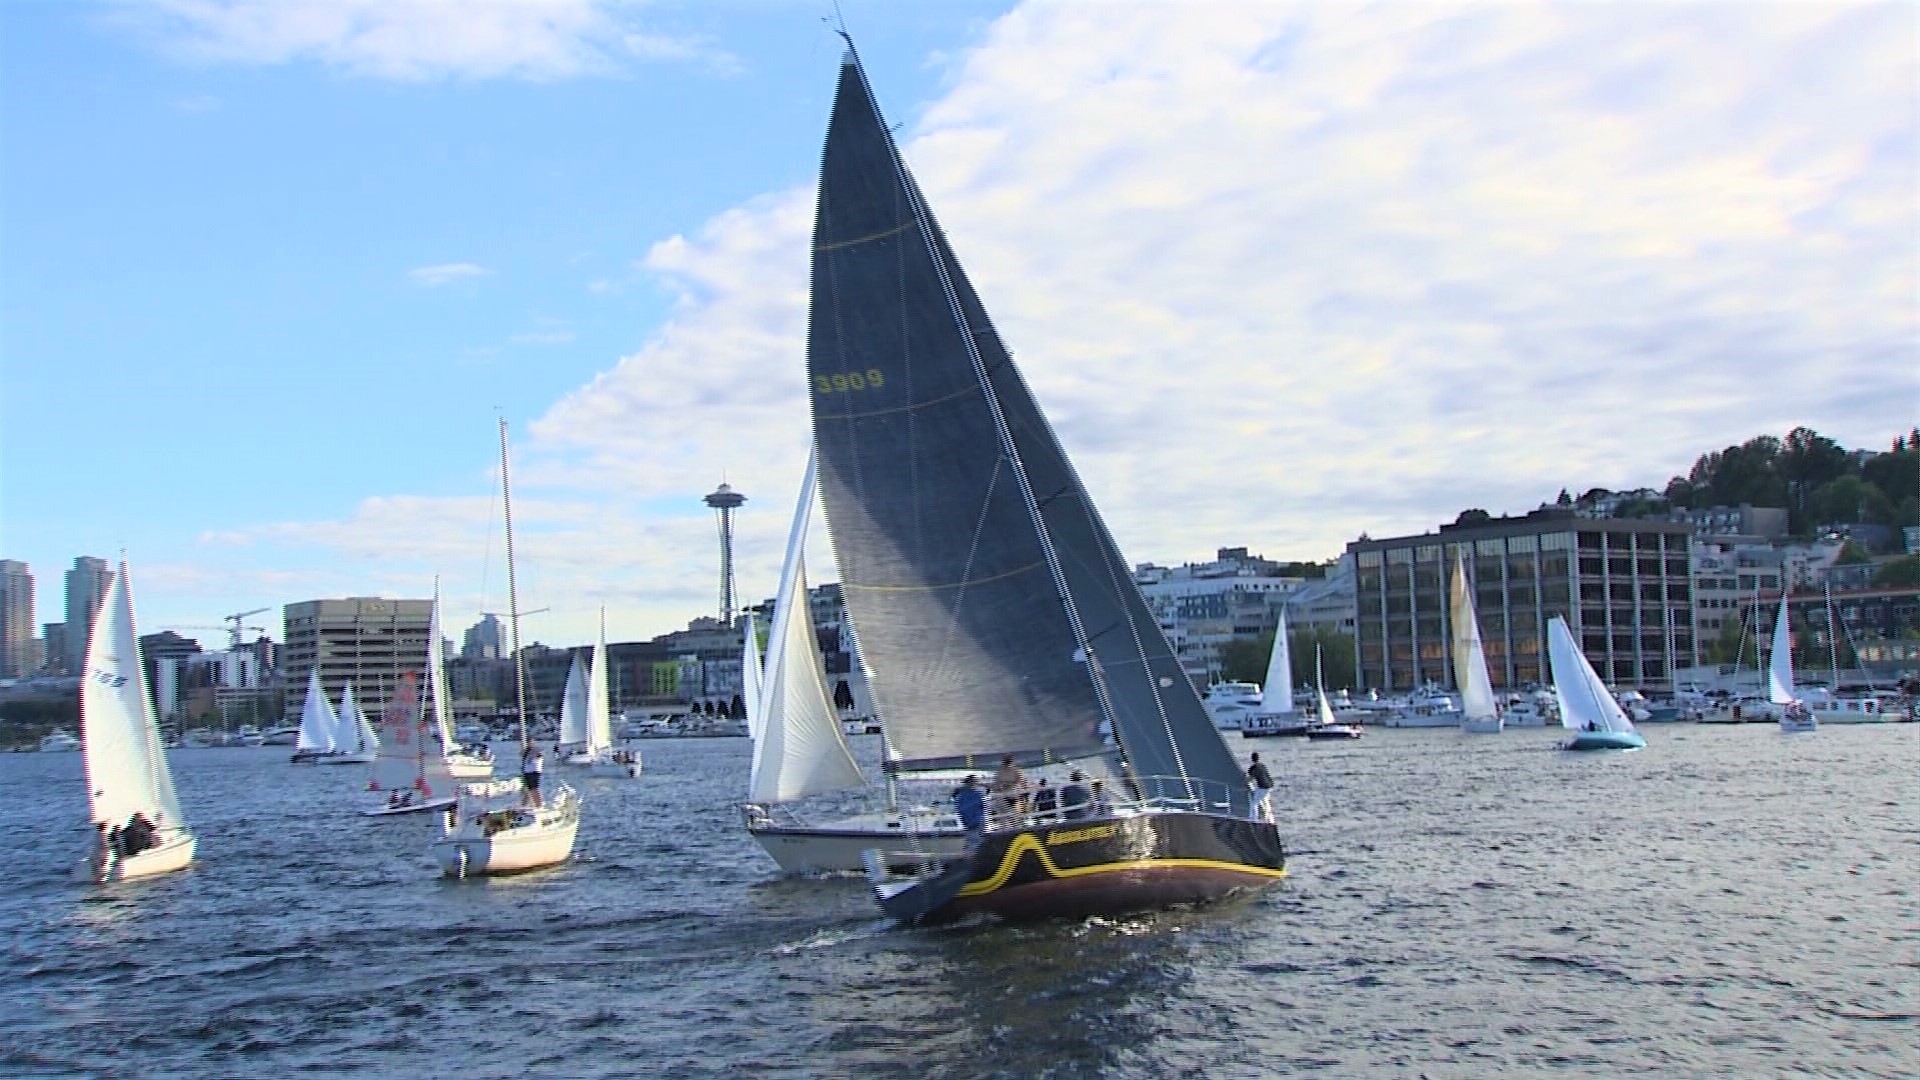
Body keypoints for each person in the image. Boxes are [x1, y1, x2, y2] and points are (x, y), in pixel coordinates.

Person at [952, 774, 987, 852]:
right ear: (974, 783)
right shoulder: (978, 794)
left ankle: (969, 854)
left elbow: (960, 809)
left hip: (968, 821)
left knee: (971, 840)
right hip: (978, 820)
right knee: (977, 841)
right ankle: (975, 856)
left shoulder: (960, 795)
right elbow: (983, 806)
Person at [992, 754, 1027, 818]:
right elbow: (1021, 782)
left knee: (1007, 815)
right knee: (1012, 815)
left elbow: (996, 784)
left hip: (1006, 795)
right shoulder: (1014, 770)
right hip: (1010, 795)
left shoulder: (1000, 771)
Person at [1246, 752, 1276, 824]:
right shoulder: (1262, 765)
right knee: (1266, 802)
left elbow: (1250, 779)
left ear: (1251, 759)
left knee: (1254, 803)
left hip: (1263, 787)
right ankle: (1269, 820)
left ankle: (1253, 819)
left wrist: (1244, 780)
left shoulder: (1254, 768)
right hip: (1269, 786)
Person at [520, 743, 544, 808]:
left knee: (535, 788)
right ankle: (531, 805)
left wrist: (533, 750)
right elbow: (522, 753)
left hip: (534, 772)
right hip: (527, 773)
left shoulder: (536, 751)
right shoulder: (526, 752)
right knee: (530, 789)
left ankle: (539, 805)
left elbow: (539, 755)